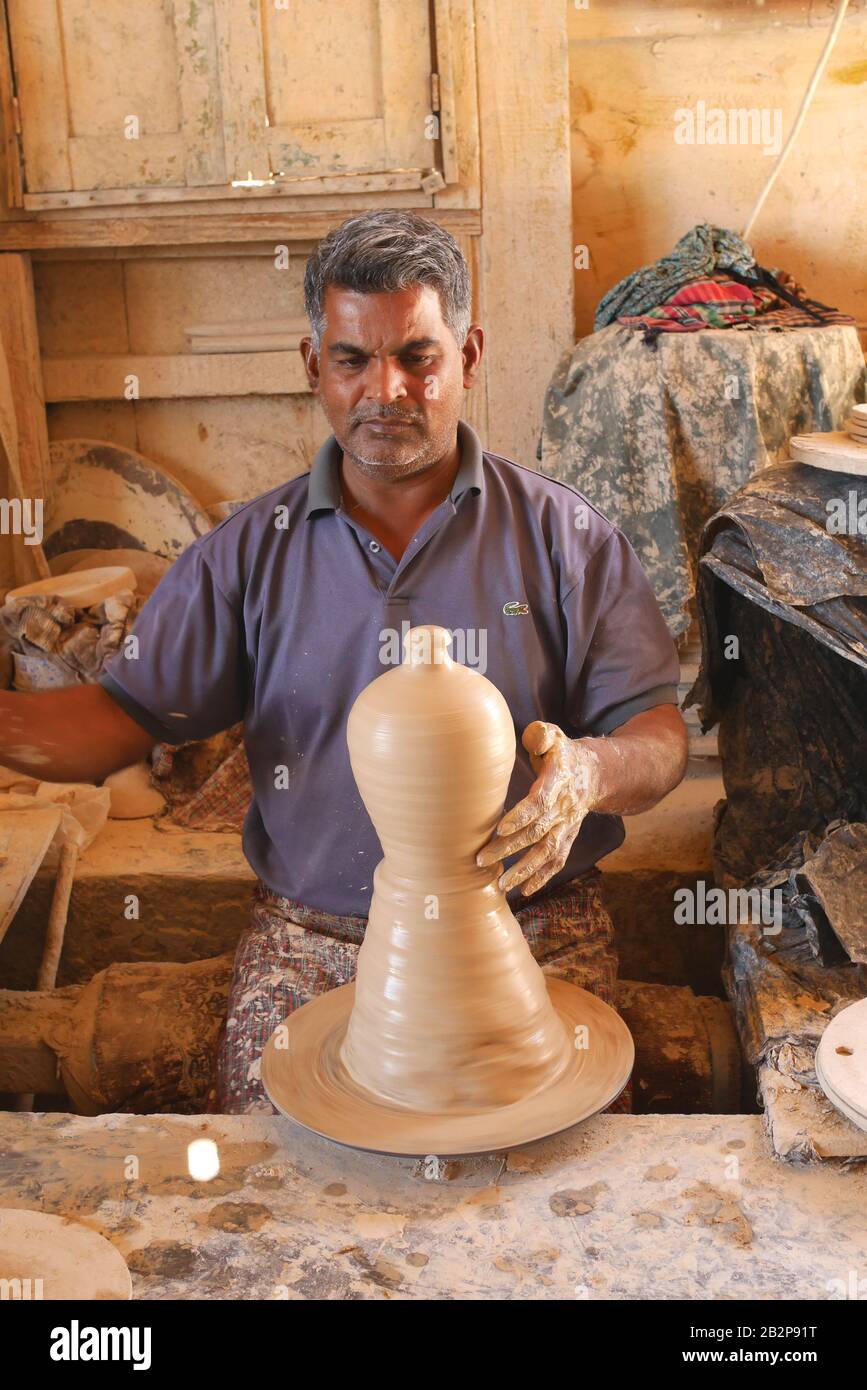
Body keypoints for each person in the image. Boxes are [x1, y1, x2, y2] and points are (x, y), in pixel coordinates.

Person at [0, 210, 687, 1112]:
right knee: (278, 1166)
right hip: (311, 929)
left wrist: (588, 773)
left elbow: (660, 736)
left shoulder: (565, 539)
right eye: (353, 360)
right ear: (312, 365)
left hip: (531, 918)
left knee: (568, 1174)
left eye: (417, 356)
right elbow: (114, 722)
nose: (385, 390)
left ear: (468, 356)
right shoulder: (247, 553)